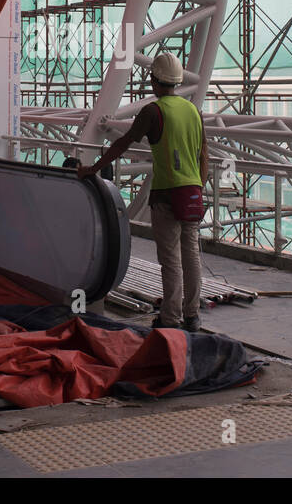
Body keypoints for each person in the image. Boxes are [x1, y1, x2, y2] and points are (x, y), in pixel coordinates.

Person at [78, 53, 207, 331]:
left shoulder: (153, 112)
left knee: (171, 261)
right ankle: (193, 316)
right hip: (192, 195)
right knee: (192, 256)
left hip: (166, 197)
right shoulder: (194, 111)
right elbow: (203, 154)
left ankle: (171, 319)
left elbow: (123, 143)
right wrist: (199, 188)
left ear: (154, 81)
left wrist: (94, 167)